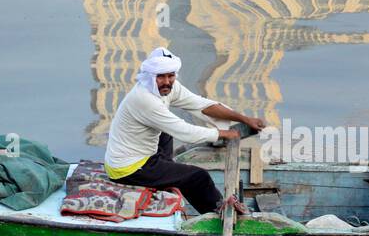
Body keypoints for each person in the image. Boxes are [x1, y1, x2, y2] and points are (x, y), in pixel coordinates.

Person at [104, 47, 265, 215]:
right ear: (150, 77)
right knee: (197, 177)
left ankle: (168, 174)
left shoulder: (168, 88)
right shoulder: (145, 99)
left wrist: (243, 119)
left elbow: (202, 105)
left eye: (170, 75)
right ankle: (218, 214)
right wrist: (222, 134)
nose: (167, 81)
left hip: (143, 153)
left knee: (165, 133)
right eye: (161, 76)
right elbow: (184, 131)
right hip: (128, 168)